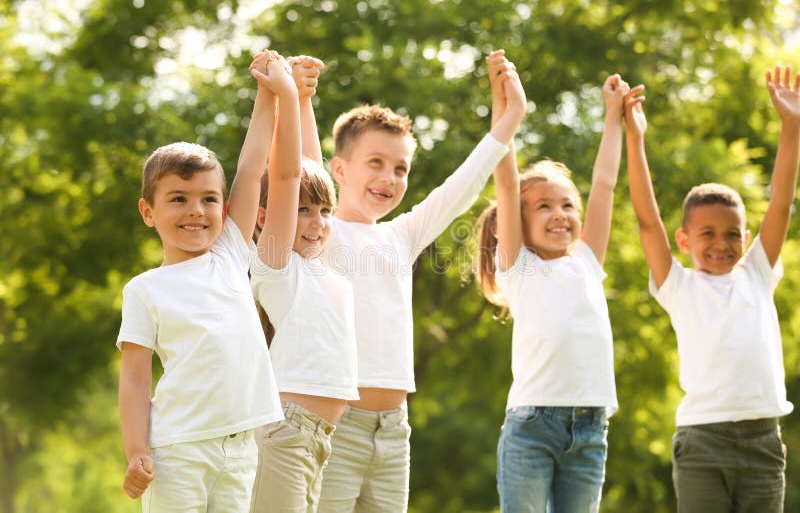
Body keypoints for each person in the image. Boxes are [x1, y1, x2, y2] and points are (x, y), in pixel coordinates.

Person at [297, 50, 526, 512]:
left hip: (394, 429)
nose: (390, 177)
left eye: (401, 168)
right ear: (340, 170)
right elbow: (306, 169)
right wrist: (301, 97)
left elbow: (460, 189)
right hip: (336, 424)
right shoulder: (322, 232)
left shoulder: (401, 235)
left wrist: (509, 118)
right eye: (376, 162)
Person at [117, 51, 285, 511]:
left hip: (240, 448)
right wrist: (137, 452)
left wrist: (266, 93)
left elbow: (252, 168)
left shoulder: (231, 253)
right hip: (177, 452)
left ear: (224, 209)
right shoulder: (145, 289)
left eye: (209, 198)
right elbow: (134, 379)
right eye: (178, 198)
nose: (196, 210)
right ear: (148, 212)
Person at [625, 67, 799, 512]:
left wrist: (792, 126)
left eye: (733, 233)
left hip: (763, 441)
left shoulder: (757, 272)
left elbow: (780, 201)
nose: (722, 244)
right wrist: (635, 140)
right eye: (707, 234)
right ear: (684, 240)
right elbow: (647, 220)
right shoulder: (678, 285)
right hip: (703, 442)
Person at [476, 55, 628, 512]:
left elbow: (603, 183)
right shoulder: (518, 267)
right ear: (518, 222)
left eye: (566, 205)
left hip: (591, 426)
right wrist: (502, 101)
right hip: (532, 425)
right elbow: (506, 181)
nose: (559, 214)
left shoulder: (586, 261)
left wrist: (613, 115)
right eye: (542, 206)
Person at [247, 51, 359, 513]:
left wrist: (306, 98)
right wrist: (284, 97)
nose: (317, 222)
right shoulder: (276, 267)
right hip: (286, 431)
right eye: (301, 211)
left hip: (320, 438)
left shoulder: (322, 266)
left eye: (325, 212)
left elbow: (308, 169)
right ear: (265, 218)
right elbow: (291, 174)